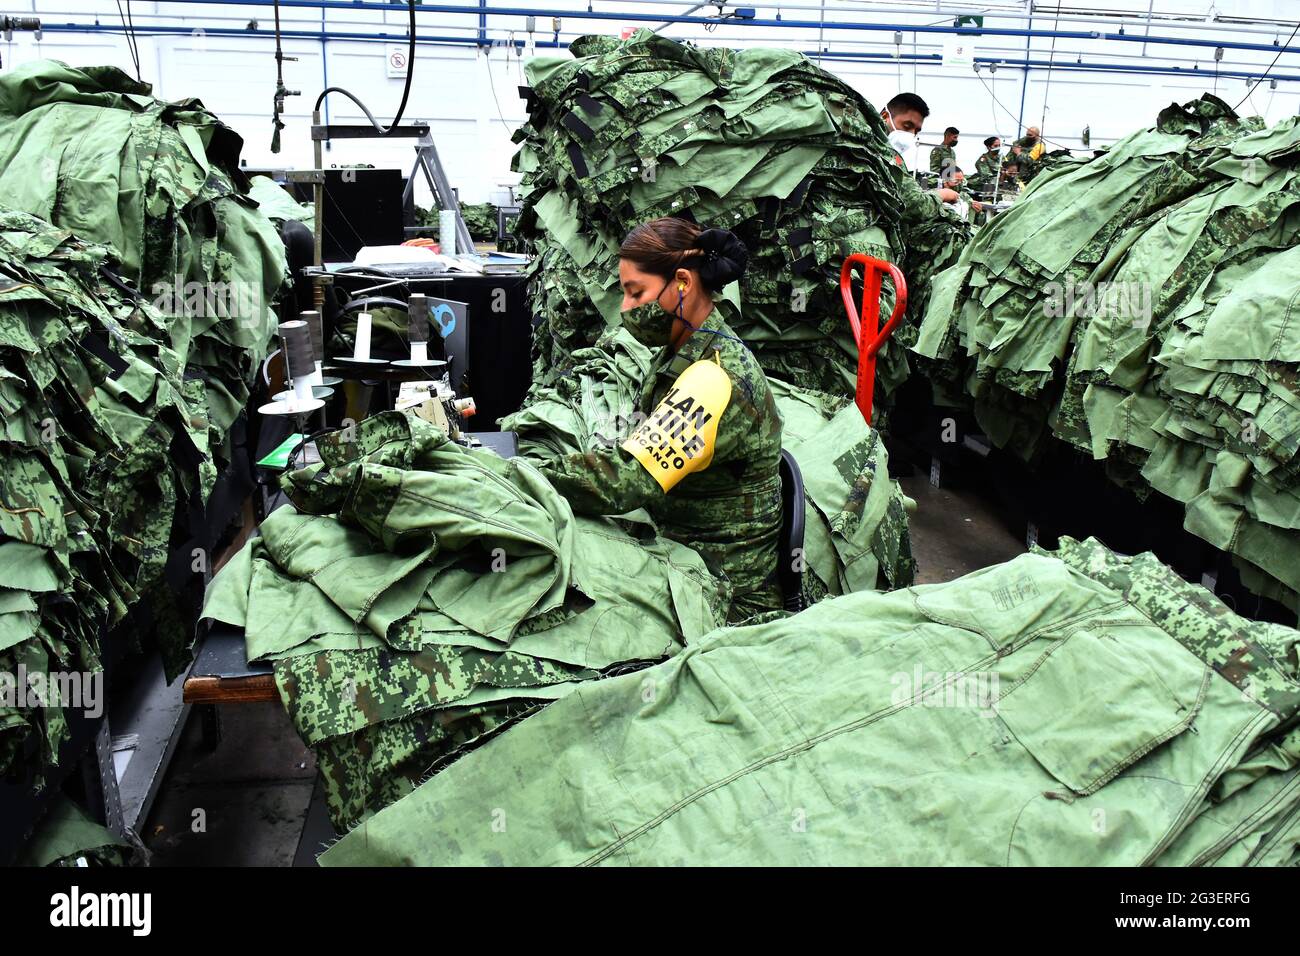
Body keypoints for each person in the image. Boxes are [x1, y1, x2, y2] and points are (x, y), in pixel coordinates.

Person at [538, 217, 784, 623]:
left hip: (720, 591)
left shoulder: (714, 378)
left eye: (636, 293)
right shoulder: (687, 351)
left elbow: (625, 481)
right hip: (684, 551)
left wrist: (522, 476)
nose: (627, 308)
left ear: (683, 283)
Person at [879, 92, 960, 205]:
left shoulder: (891, 154)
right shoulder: (864, 147)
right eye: (907, 126)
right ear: (885, 117)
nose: (911, 134)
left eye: (916, 131)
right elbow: (913, 203)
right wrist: (942, 194)